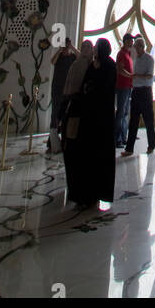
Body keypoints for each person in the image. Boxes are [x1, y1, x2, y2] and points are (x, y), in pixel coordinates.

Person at [68, 38, 117, 207]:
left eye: (96, 47)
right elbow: (84, 86)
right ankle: (87, 194)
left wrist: (92, 88)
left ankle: (98, 192)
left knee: (100, 156)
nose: (94, 50)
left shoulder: (109, 65)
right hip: (90, 117)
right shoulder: (93, 65)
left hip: (102, 119)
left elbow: (106, 90)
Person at [59, 39, 94, 200]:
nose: (86, 50)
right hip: (74, 109)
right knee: (72, 143)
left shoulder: (91, 65)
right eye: (84, 47)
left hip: (81, 110)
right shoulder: (77, 65)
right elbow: (69, 88)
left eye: (89, 47)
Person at [123, 37, 155, 155]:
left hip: (145, 92)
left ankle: (151, 145)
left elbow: (150, 76)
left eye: (137, 46)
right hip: (136, 91)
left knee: (148, 120)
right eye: (134, 46)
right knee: (133, 121)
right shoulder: (135, 58)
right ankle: (129, 148)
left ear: (142, 46)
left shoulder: (149, 59)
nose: (135, 48)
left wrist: (136, 76)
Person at [48, 38, 77, 153]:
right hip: (57, 90)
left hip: (68, 90)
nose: (65, 48)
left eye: (67, 45)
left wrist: (72, 47)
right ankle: (52, 143)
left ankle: (63, 142)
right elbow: (52, 62)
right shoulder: (59, 56)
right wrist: (59, 50)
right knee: (55, 115)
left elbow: (81, 58)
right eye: (64, 45)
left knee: (65, 116)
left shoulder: (72, 57)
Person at [114, 33, 134, 148]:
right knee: (121, 112)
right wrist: (131, 76)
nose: (132, 42)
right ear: (126, 41)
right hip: (122, 86)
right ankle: (117, 139)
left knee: (125, 112)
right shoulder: (122, 54)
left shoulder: (127, 54)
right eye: (130, 40)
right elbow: (120, 69)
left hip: (128, 86)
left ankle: (123, 137)